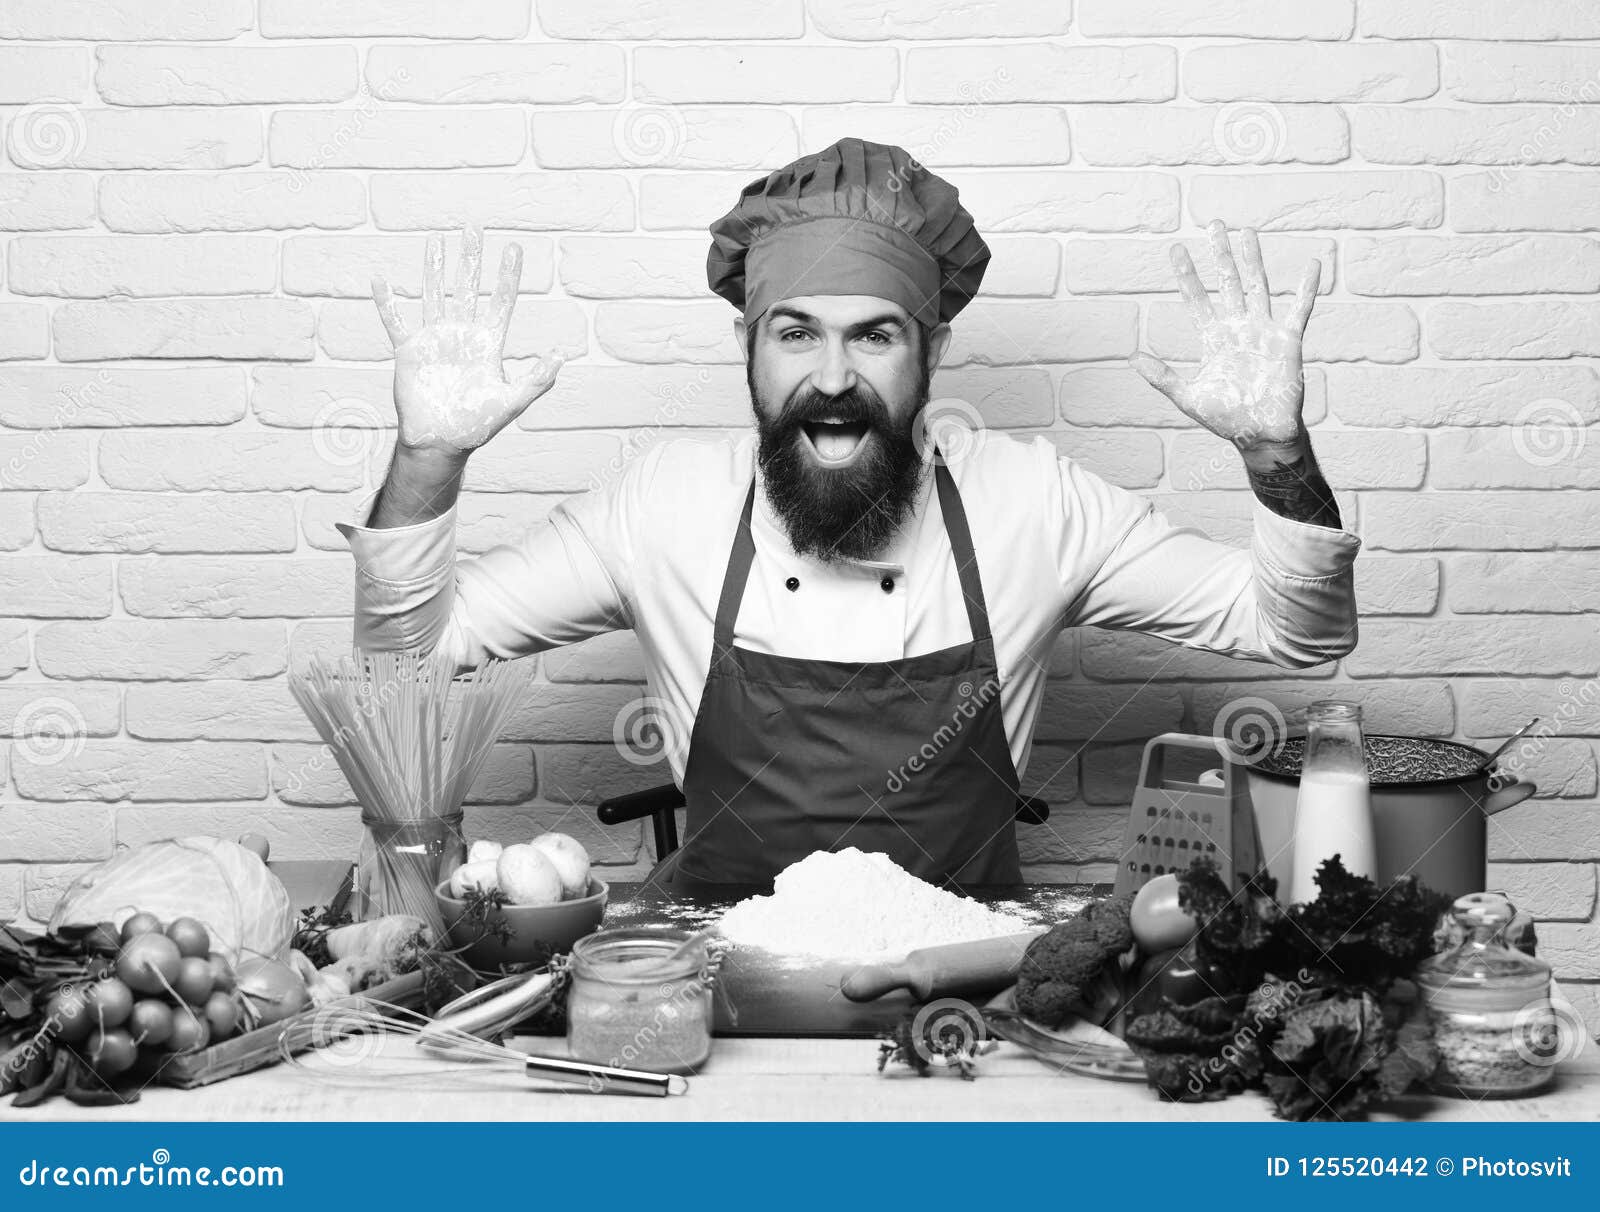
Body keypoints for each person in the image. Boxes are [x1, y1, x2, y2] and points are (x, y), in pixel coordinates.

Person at [338, 138, 1360, 891]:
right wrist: (429, 458)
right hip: (715, 982)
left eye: (874, 336)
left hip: (964, 996)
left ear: (932, 352)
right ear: (747, 346)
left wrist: (1275, 453)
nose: (832, 379)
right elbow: (406, 663)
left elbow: (1296, 633)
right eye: (796, 334)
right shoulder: (664, 506)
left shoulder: (1032, 503)